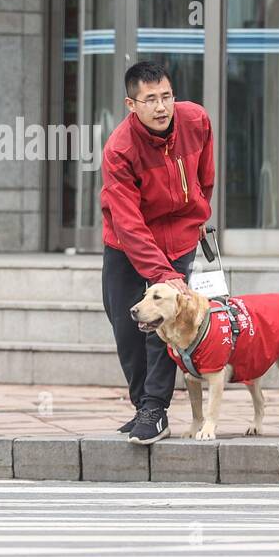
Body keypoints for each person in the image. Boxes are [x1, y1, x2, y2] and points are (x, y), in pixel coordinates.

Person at [100, 61, 214, 445]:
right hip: (127, 242)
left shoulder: (196, 120)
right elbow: (128, 222)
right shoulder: (120, 148)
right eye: (150, 100)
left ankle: (155, 407)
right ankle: (141, 405)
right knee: (126, 322)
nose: (162, 107)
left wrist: (198, 211)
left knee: (163, 322)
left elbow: (205, 176)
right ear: (131, 104)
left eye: (166, 96)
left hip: (178, 237)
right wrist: (158, 271)